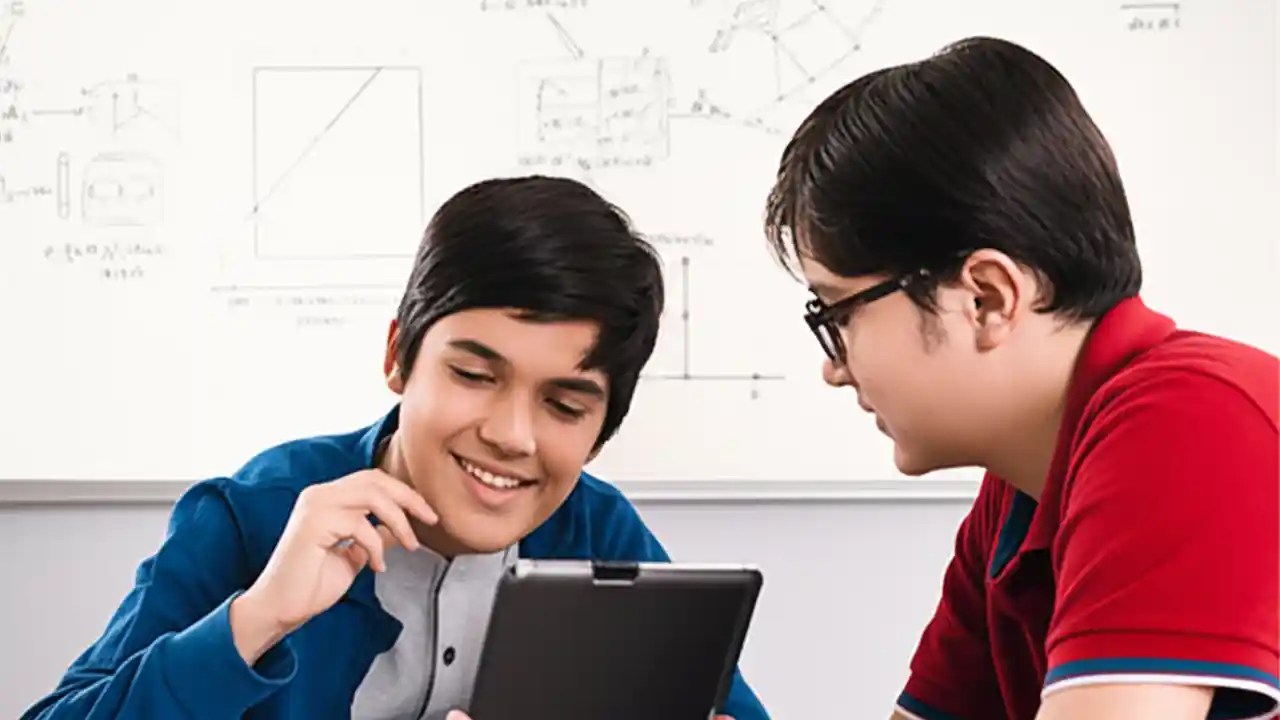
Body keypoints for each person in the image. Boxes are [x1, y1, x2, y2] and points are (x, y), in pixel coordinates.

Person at [23, 176, 768, 720]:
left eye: (564, 405)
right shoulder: (252, 517)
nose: (512, 436)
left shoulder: (599, 535)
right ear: (398, 358)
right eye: (474, 375)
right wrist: (257, 619)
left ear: (602, 429)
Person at [763, 36, 1278, 720]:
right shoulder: (1019, 490)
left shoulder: (1193, 419)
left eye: (839, 315)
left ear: (986, 298)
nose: (833, 367)